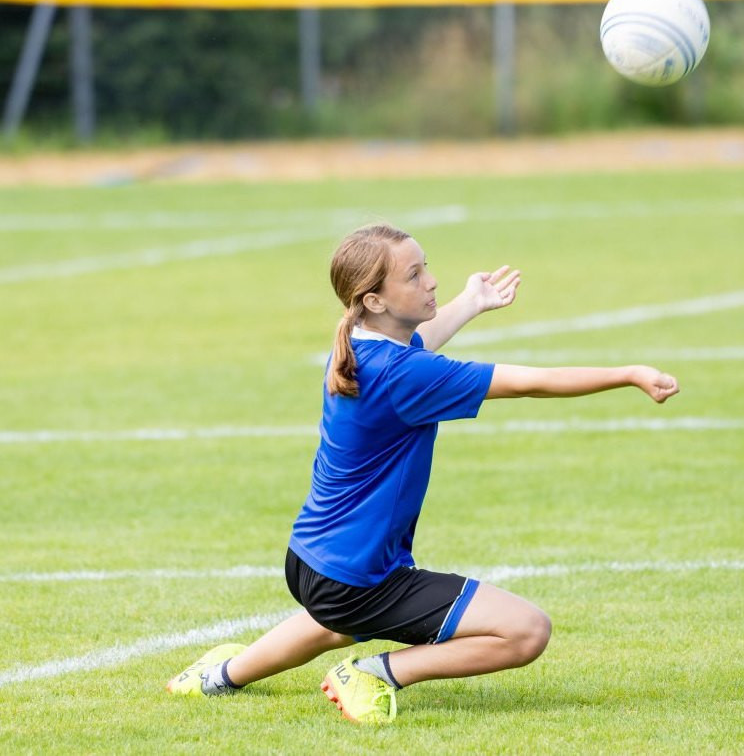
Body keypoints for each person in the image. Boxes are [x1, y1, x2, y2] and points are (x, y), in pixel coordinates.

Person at [166, 223, 679, 724]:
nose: (430, 281)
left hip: (313, 561)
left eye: (425, 267)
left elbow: (420, 338)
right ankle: (376, 674)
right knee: (526, 631)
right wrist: (628, 374)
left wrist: (470, 302)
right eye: (413, 276)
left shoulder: (358, 343)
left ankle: (219, 676)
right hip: (352, 577)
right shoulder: (405, 375)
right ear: (374, 299)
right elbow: (531, 382)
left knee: (337, 622)